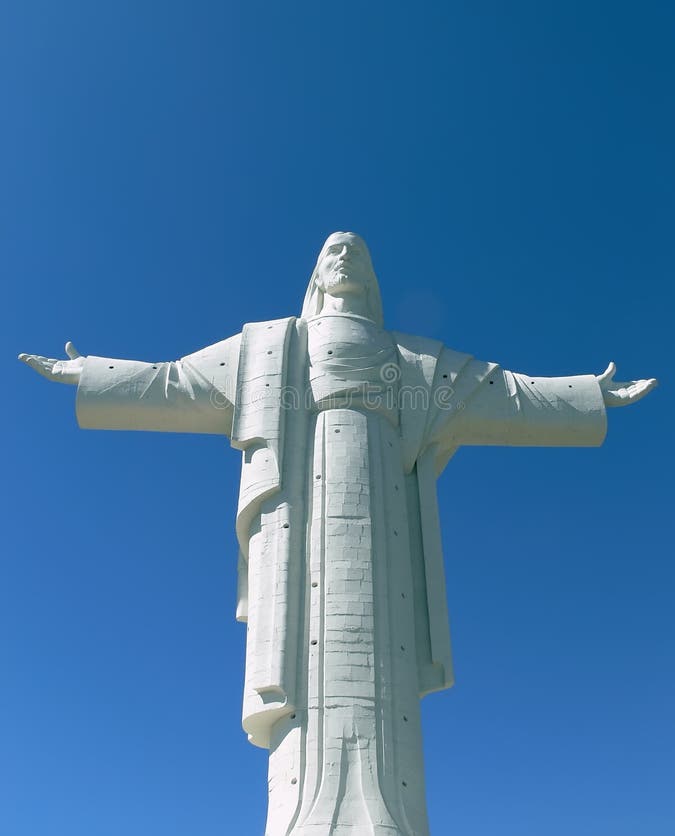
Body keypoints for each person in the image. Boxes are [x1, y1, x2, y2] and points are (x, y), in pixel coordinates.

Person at [19, 232, 656, 836]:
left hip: (385, 523)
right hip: (302, 526)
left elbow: (508, 394)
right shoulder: (268, 348)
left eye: (356, 252)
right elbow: (176, 381)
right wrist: (96, 375)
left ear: (371, 277)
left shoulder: (414, 360)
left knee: (385, 673)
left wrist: (587, 395)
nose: (345, 258)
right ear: (318, 274)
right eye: (333, 252)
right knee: (306, 678)